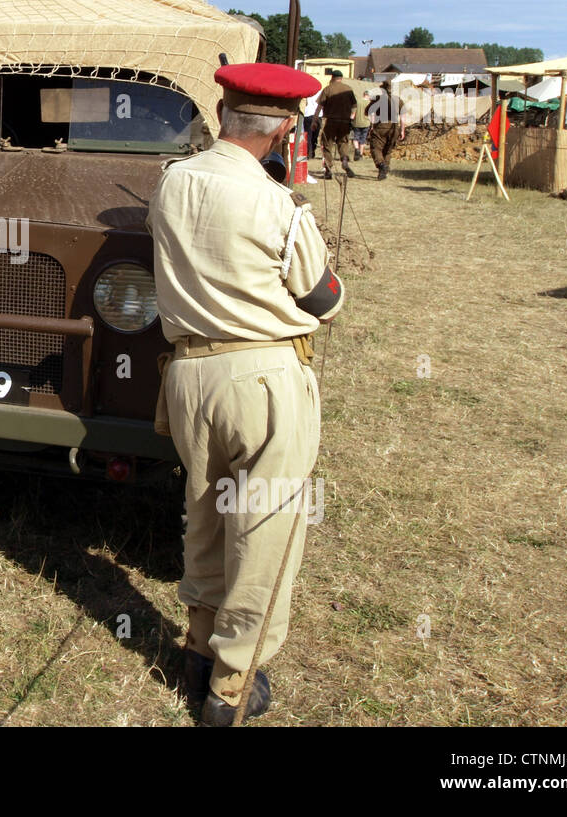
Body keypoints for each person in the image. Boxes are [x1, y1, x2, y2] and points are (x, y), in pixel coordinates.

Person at [147, 62, 345, 726]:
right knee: (264, 534)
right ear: (285, 129)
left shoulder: (171, 182)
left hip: (188, 376)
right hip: (262, 380)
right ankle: (231, 688)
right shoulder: (277, 204)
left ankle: (199, 651)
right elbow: (324, 297)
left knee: (202, 514)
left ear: (225, 110)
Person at [317, 70, 357, 179]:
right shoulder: (348, 89)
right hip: (345, 121)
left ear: (332, 77)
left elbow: (320, 106)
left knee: (327, 145)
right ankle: (344, 159)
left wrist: (315, 119)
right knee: (343, 142)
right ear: (341, 78)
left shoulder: (328, 89)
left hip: (331, 121)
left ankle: (328, 169)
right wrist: (351, 117)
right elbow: (354, 105)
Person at [368, 80, 406, 180]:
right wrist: (402, 130)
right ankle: (383, 172)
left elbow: (370, 112)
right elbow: (403, 117)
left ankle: (381, 165)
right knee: (388, 151)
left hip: (380, 126)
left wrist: (372, 126)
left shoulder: (377, 99)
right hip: (394, 128)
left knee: (376, 148)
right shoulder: (398, 100)